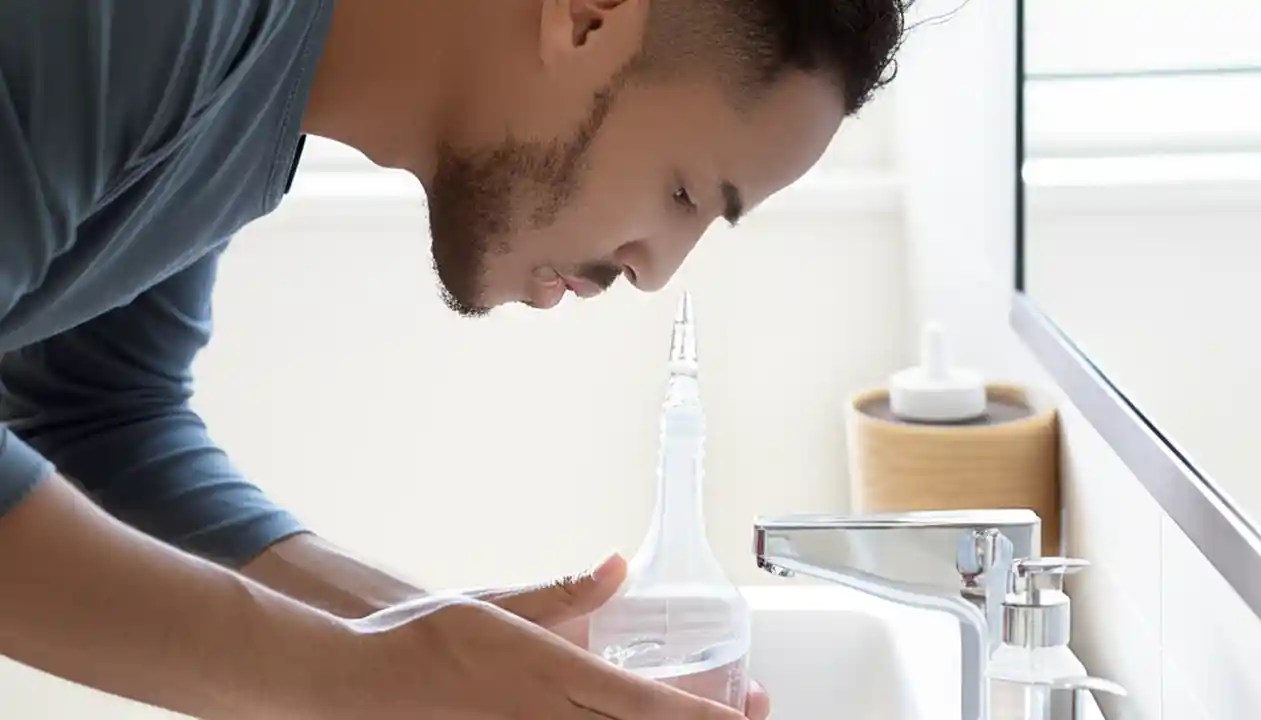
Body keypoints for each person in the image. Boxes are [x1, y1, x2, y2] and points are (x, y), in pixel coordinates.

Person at [0, 0, 906, 717]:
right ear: (589, 16)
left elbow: (94, 419)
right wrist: (355, 681)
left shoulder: (242, 99)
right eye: (683, 194)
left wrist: (439, 649)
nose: (655, 272)